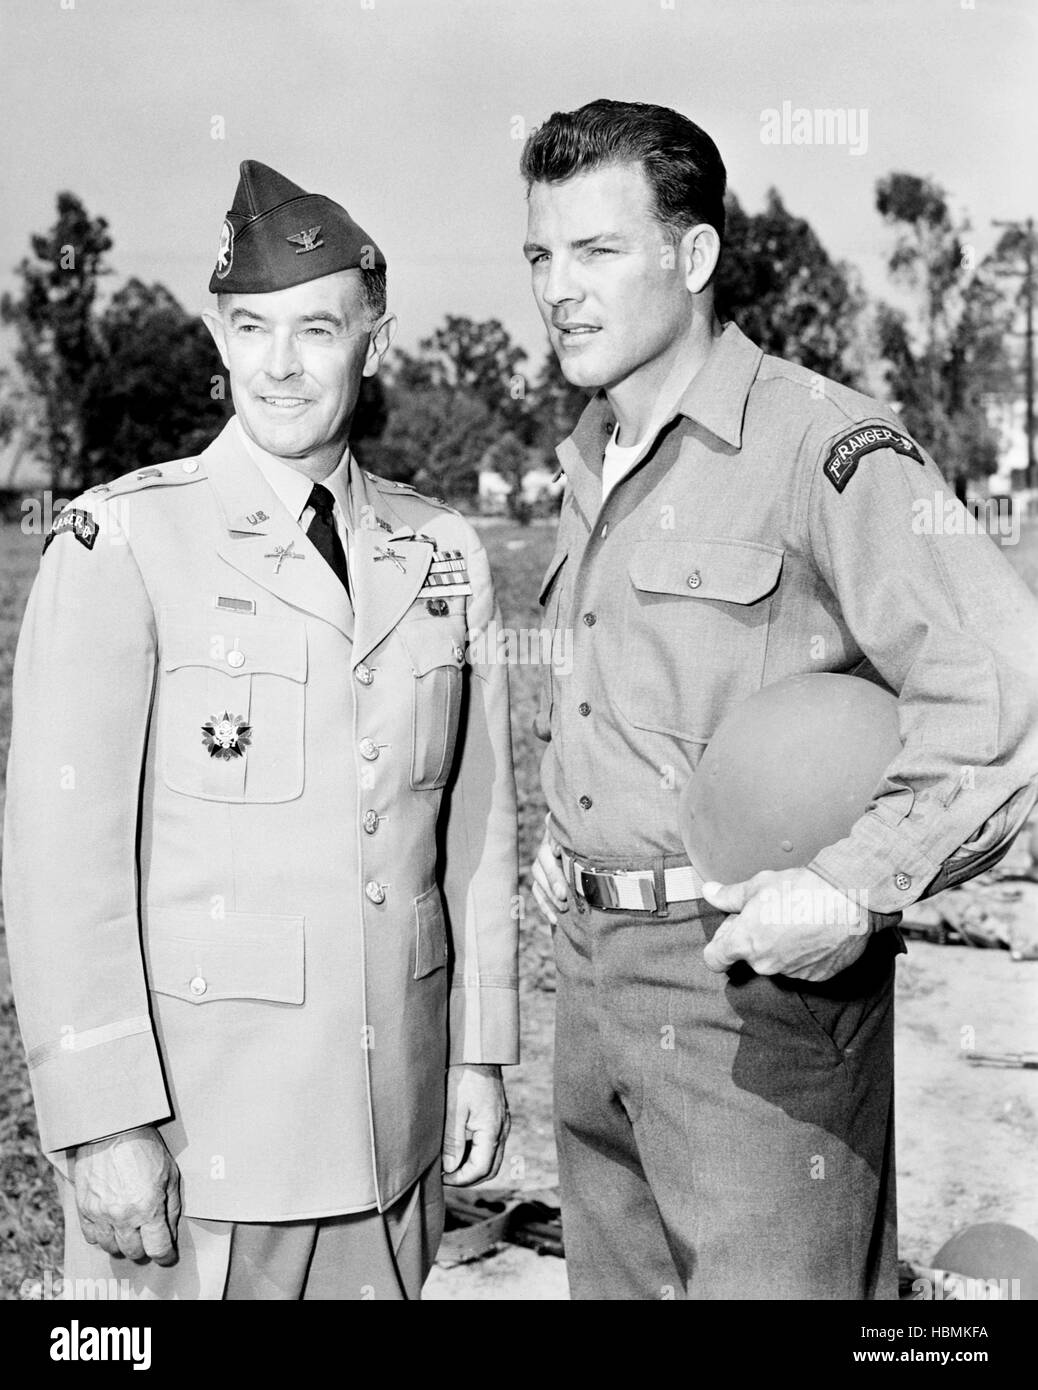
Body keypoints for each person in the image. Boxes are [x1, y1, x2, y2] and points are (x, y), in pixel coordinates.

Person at [522, 100, 1038, 1300]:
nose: (559, 290)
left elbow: (1006, 690)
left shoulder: (825, 446)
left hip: (755, 993)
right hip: (594, 982)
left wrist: (857, 882)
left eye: (597, 252)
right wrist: (574, 830)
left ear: (694, 258)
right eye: (542, 257)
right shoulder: (587, 460)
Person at [3, 160, 519, 1301]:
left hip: (393, 1140)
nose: (281, 366)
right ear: (217, 336)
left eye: (317, 330)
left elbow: (475, 828)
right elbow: (59, 866)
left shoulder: (443, 554)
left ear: (372, 337)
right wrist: (102, 1125)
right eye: (253, 330)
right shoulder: (122, 541)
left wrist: (479, 1050)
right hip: (201, 1152)